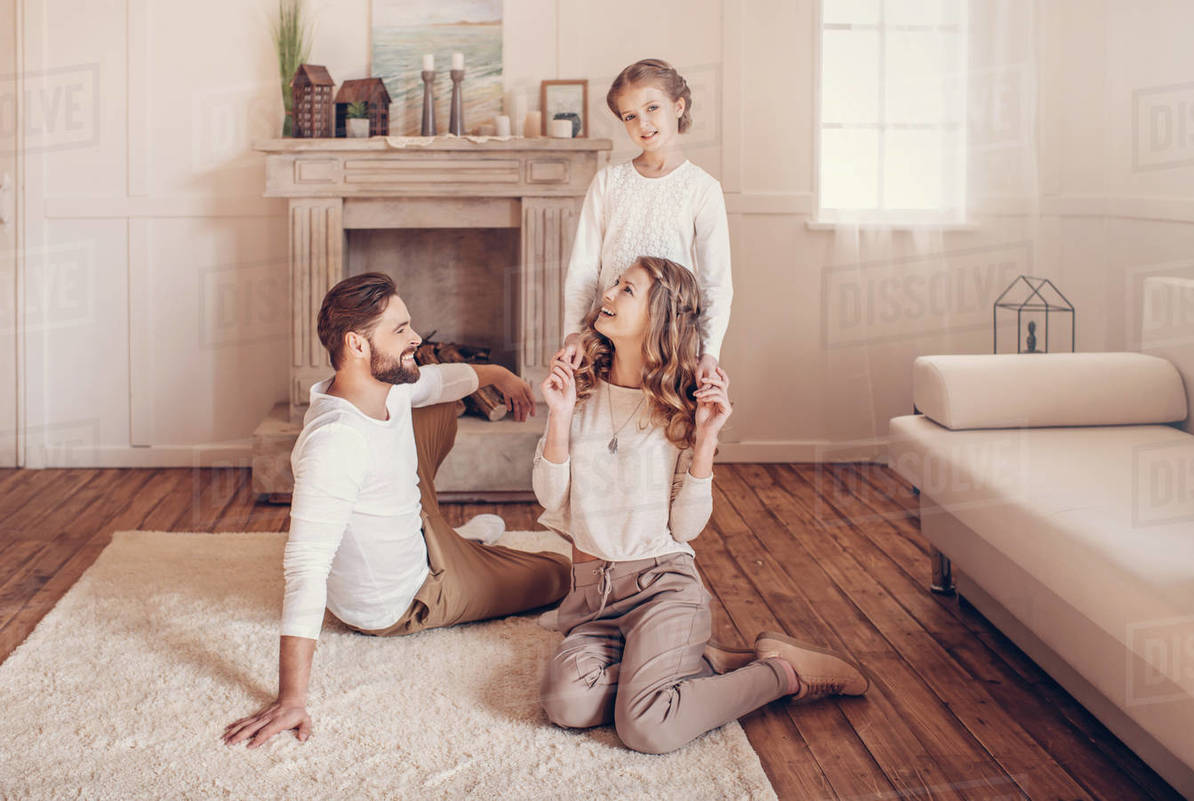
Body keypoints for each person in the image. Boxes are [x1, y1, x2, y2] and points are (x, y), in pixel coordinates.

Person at [535, 256, 868, 755]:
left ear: (659, 316)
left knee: (647, 728)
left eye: (627, 290)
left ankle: (782, 674)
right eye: (615, 284)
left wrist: (706, 439)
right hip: (593, 601)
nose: (608, 294)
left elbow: (685, 527)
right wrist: (559, 418)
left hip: (661, 589)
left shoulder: (681, 405)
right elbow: (550, 499)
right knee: (565, 702)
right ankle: (686, 664)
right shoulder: (578, 387)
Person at [223, 272, 570, 749]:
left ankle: (456, 541)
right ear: (357, 344)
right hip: (403, 599)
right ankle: (458, 554)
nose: (415, 339)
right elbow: (305, 568)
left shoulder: (375, 386)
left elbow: (439, 380)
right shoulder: (335, 442)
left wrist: (500, 375)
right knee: (559, 575)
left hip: (411, 525)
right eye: (401, 330)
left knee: (435, 403)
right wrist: (291, 699)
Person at [555, 58, 734, 393]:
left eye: (652, 107)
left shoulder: (702, 188)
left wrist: (709, 352)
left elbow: (716, 282)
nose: (643, 123)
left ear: (678, 106)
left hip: (670, 344)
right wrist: (573, 333)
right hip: (608, 338)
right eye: (630, 116)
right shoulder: (609, 181)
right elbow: (582, 269)